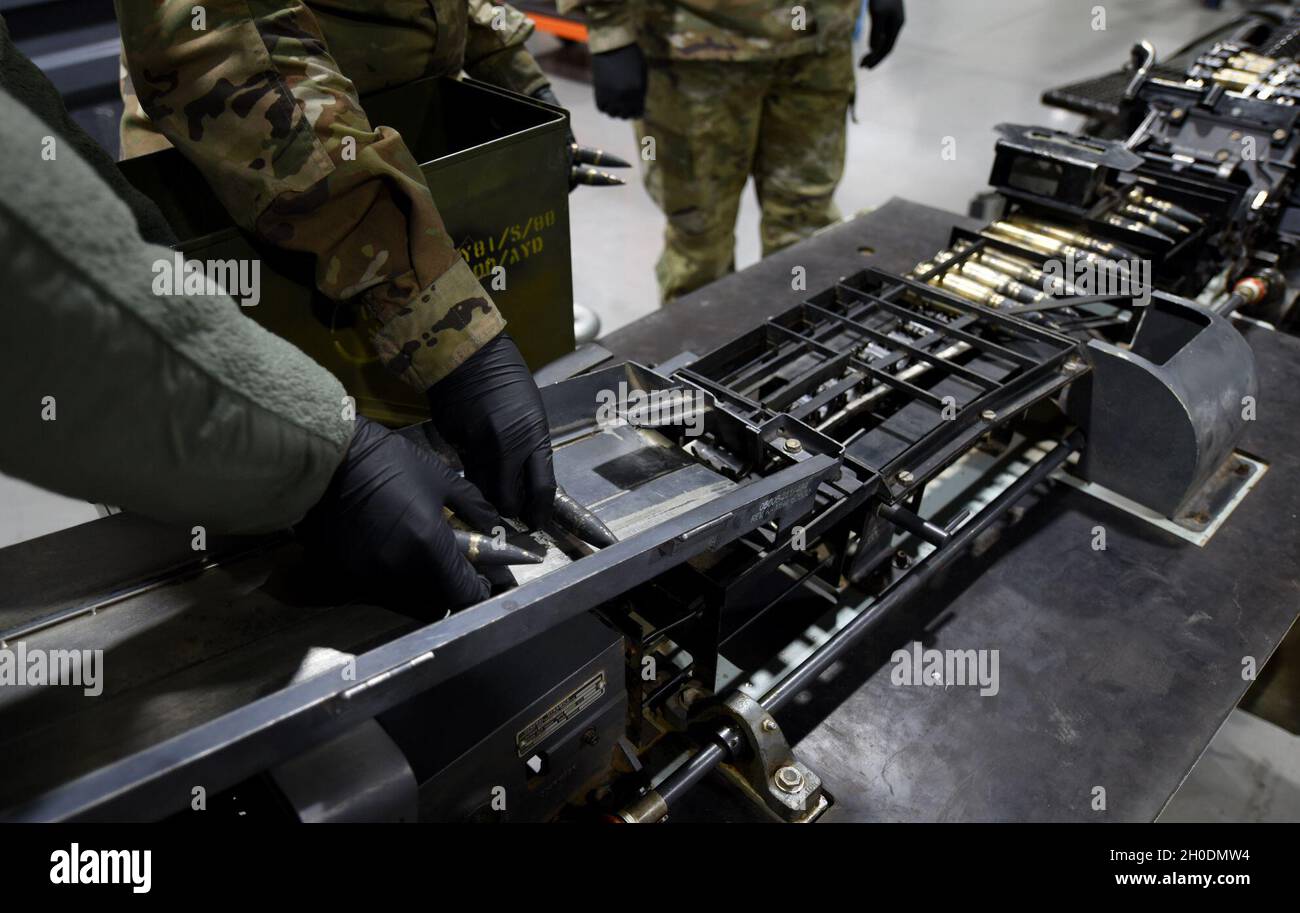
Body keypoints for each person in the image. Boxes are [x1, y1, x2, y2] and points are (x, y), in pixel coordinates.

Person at [0, 18, 524, 614]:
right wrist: (320, 460)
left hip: (357, 210)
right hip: (253, 204)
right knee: (226, 573)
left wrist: (444, 332)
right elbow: (42, 288)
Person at [112, 0, 559, 534]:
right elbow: (226, 44)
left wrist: (511, 67)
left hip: (392, 186)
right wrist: (451, 335)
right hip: (257, 179)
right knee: (290, 505)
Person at [560, 0, 905, 301]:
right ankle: (702, 361)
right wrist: (611, 30)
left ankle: (805, 360)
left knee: (806, 221)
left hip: (819, 41)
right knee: (700, 235)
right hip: (696, 46)